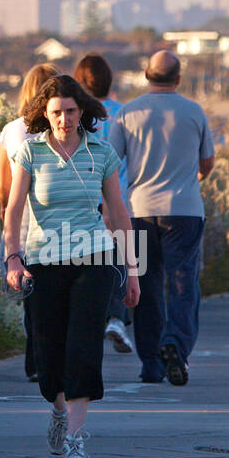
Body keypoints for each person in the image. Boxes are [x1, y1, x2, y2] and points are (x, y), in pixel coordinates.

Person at [4, 74, 140, 458]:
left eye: (70, 111)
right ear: (45, 115)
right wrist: (13, 258)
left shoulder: (101, 152)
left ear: (82, 112)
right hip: (44, 262)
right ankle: (59, 411)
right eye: (56, 113)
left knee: (83, 346)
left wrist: (131, 271)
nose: (64, 119)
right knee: (48, 353)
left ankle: (77, 439)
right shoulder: (31, 153)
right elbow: (13, 211)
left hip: (93, 259)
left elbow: (118, 213)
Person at [108, 50, 215, 386]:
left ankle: (152, 365)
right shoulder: (194, 111)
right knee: (183, 284)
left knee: (146, 288)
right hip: (184, 210)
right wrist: (193, 177)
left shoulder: (128, 113)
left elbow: (111, 163)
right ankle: (176, 346)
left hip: (139, 210)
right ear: (179, 78)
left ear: (145, 74)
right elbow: (207, 161)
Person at [0, 63, 60, 381]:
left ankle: (34, 358)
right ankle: (43, 358)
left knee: (30, 296)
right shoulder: (60, 131)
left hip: (19, 224)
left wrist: (5, 214)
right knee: (51, 294)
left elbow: (1, 184)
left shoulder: (11, 130)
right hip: (51, 225)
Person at [74, 51, 135, 355]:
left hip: (85, 201)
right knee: (121, 263)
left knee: (86, 266)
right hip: (120, 198)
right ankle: (116, 317)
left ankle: (87, 325)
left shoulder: (75, 115)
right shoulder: (124, 113)